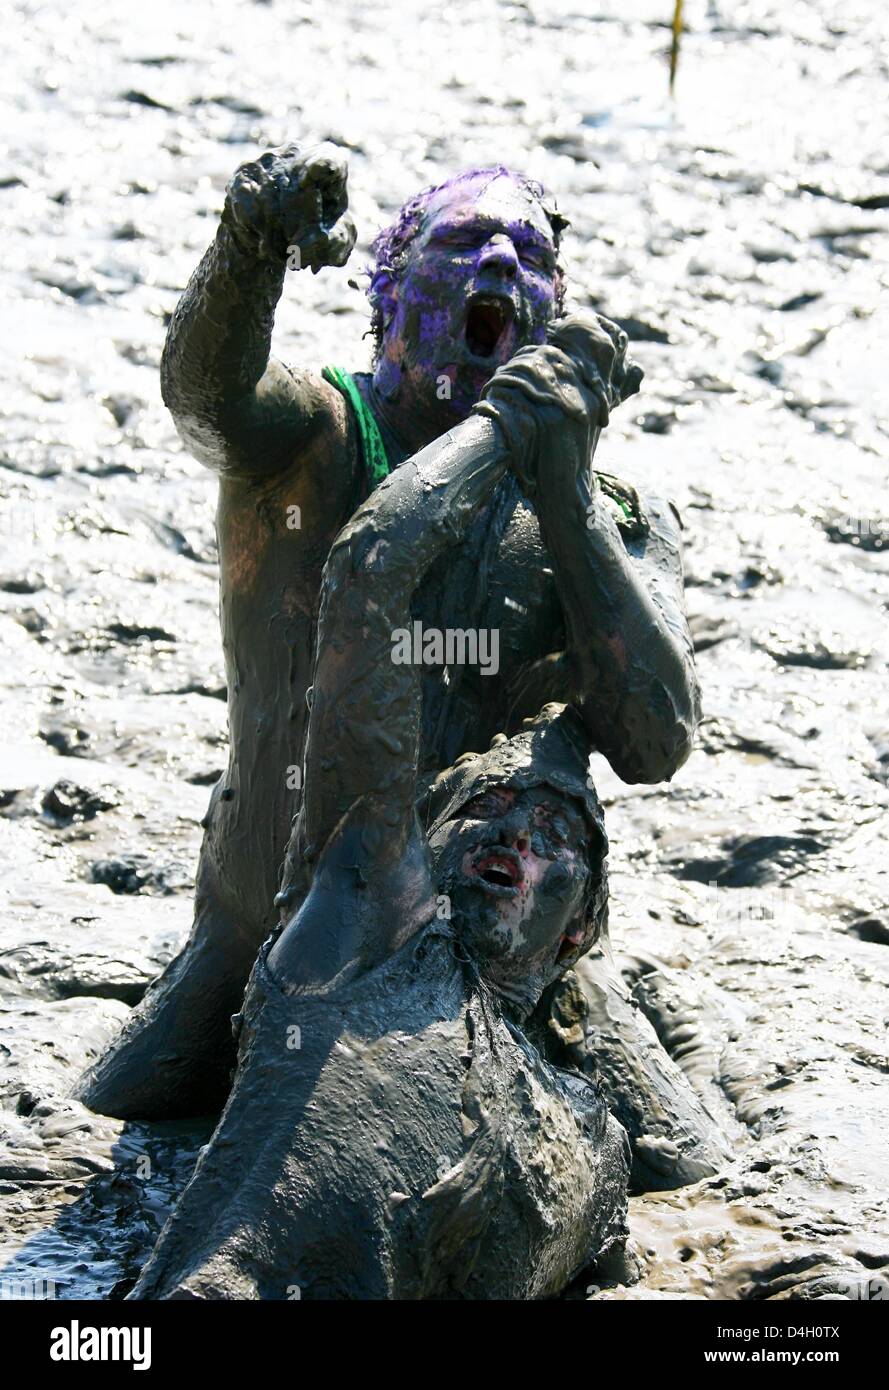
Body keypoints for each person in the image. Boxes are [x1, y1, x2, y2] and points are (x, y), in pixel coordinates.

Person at [80, 148, 700, 1121]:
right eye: (458, 244)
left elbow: (657, 742)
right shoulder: (317, 435)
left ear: (555, 307)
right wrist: (248, 248)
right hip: (270, 926)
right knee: (139, 1112)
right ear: (390, 292)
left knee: (680, 1157)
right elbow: (204, 401)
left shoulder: (611, 510)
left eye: (527, 254)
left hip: (489, 943)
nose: (497, 263)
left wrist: (570, 498)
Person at [130, 324, 635, 1300]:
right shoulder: (364, 924)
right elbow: (366, 569)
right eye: (483, 808)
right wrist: (508, 419)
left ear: (577, 929)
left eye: (556, 836)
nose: (511, 832)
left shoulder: (592, 1139)